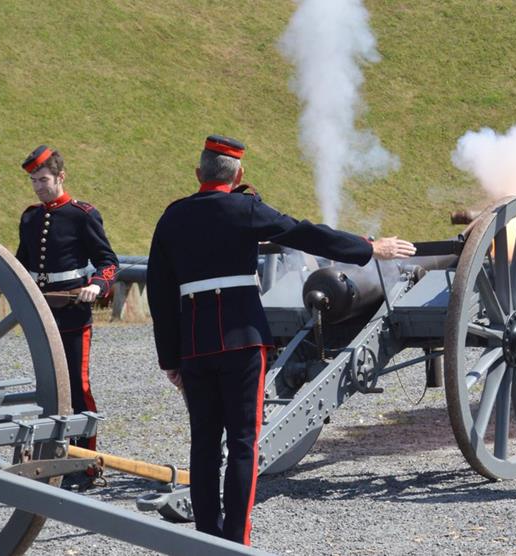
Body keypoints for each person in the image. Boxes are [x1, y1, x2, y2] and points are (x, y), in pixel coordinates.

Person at [146, 135, 416, 545]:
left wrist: (171, 358)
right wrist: (369, 247)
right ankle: (235, 543)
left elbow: (160, 294)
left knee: (203, 444)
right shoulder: (245, 208)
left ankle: (204, 540)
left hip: (195, 347)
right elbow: (304, 233)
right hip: (243, 341)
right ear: (238, 175)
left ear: (198, 173)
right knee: (242, 443)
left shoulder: (172, 217)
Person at [16, 145, 118, 459]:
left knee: (78, 387)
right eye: (34, 181)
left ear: (61, 176)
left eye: (43, 180)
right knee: (48, 388)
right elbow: (21, 261)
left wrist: (97, 286)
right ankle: (53, 457)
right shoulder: (31, 217)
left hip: (74, 312)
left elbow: (108, 263)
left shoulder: (82, 215)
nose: (38, 187)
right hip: (41, 313)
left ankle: (86, 463)